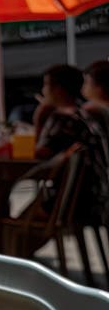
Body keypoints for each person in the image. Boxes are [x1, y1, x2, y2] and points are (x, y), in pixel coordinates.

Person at [34, 64, 108, 222]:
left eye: (46, 85)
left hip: (72, 203)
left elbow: (40, 154)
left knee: (7, 222)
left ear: (58, 89)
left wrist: (39, 117)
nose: (43, 90)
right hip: (96, 198)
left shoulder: (61, 118)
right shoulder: (85, 117)